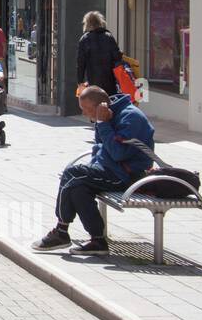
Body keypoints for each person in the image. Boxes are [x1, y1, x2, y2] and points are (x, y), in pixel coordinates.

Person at [32, 86, 156, 256]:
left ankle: (61, 230)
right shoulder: (108, 113)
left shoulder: (131, 117)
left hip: (127, 176)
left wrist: (103, 123)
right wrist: (101, 126)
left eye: (85, 109)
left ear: (99, 106)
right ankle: (98, 241)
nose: (83, 114)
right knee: (78, 189)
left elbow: (118, 153)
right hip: (109, 170)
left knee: (71, 173)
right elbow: (100, 147)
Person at [76, 11, 123, 97]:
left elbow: (81, 64)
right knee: (110, 103)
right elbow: (117, 58)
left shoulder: (84, 39)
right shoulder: (109, 36)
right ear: (100, 22)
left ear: (87, 24)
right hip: (110, 81)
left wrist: (80, 82)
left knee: (95, 104)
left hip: (93, 82)